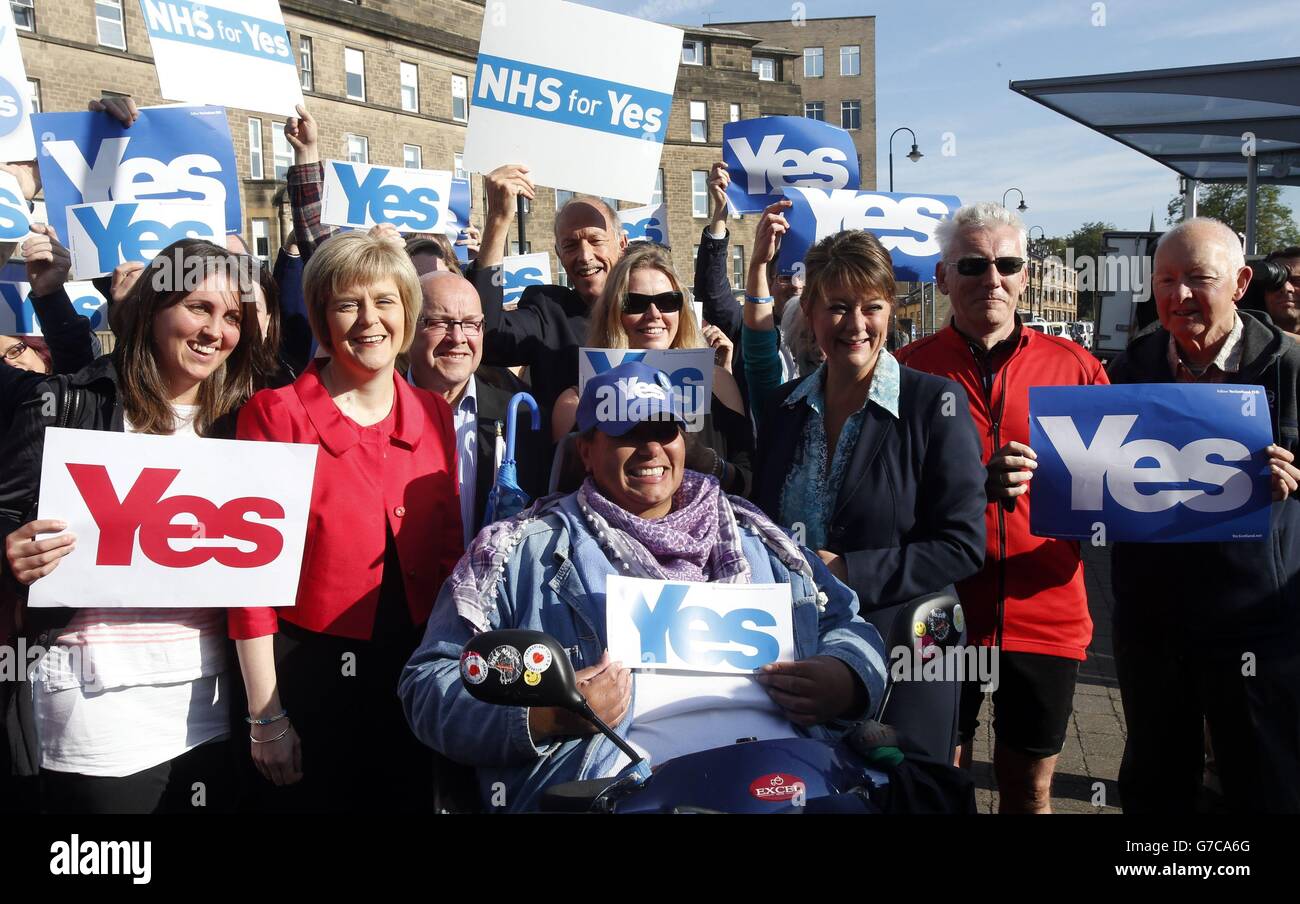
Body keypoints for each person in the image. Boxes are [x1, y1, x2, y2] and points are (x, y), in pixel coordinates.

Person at [399, 360, 886, 812]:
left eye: (662, 430)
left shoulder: (762, 539)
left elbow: (850, 625)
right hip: (616, 792)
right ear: (586, 451)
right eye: (627, 433)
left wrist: (845, 678)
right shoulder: (517, 552)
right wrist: (544, 718)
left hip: (792, 782)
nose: (651, 448)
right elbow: (429, 685)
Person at [0, 239, 259, 813]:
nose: (216, 330)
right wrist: (7, 552)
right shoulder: (70, 403)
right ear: (151, 309)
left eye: (233, 315)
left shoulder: (245, 423)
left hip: (216, 711)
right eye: (199, 307)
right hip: (94, 720)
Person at [229, 230, 463, 813]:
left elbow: (449, 557)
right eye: (347, 303)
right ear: (321, 317)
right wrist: (267, 715)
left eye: (384, 301)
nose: (369, 320)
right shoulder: (275, 414)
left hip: (414, 677)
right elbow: (250, 582)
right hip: (308, 681)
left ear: (406, 313)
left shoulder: (434, 412)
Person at [894, 201, 1109, 813]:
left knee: (1029, 786)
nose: (992, 278)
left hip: (1046, 610)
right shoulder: (906, 372)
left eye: (1006, 264)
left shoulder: (1075, 368)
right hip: (936, 614)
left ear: (1025, 275)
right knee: (939, 776)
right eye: (973, 265)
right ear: (942, 277)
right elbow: (879, 494)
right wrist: (964, 488)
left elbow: (1124, 482)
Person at [1107, 217, 1300, 814]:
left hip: (1254, 620)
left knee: (1261, 777)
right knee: (1155, 778)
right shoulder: (1128, 367)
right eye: (1165, 280)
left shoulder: (1289, 367)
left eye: (1198, 279)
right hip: (1152, 618)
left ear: (1241, 282)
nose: (1179, 295)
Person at [750, 227, 986, 615]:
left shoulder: (934, 404)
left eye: (872, 307)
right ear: (809, 311)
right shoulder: (782, 408)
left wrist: (850, 571)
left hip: (897, 645)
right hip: (791, 638)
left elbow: (961, 544)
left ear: (890, 308)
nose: (856, 325)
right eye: (838, 307)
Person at [470, 161, 741, 411]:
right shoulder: (548, 313)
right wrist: (498, 220)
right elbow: (487, 338)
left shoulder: (661, 309)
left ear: (622, 244)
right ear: (558, 253)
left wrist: (714, 375)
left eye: (595, 240)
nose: (585, 256)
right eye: (570, 245)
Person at [548, 243, 752, 495]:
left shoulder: (718, 382)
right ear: (613, 312)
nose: (654, 313)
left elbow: (749, 483)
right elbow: (564, 491)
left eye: (668, 301)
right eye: (634, 303)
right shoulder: (574, 402)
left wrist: (706, 462)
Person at [408, 270, 550, 543]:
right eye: (440, 322)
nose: (458, 337)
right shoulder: (376, 412)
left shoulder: (522, 418)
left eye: (472, 324)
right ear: (408, 326)